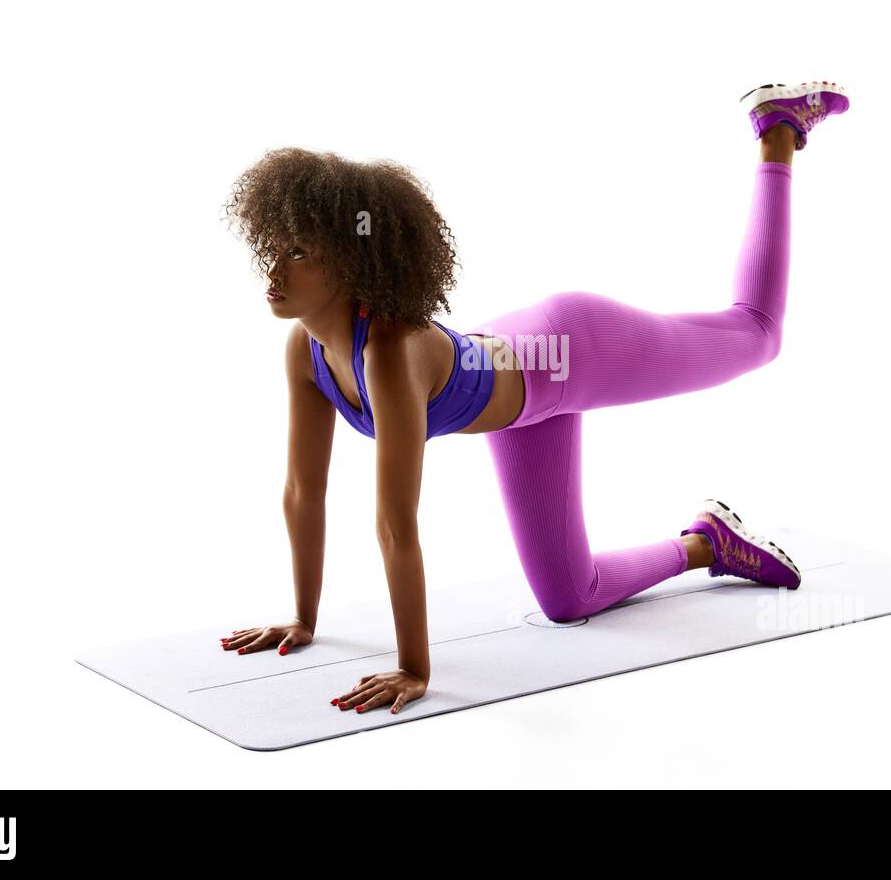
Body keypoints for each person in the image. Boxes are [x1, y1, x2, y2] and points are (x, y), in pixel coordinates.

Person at [217, 81, 850, 715]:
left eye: (298, 253)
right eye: (274, 246)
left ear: (348, 265)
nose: (273, 268)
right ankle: (710, 544)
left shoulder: (387, 353)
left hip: (571, 349)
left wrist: (413, 668)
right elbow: (303, 492)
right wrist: (302, 619)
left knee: (757, 334)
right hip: (519, 404)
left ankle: (778, 133)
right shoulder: (305, 352)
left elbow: (395, 525)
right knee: (570, 599)